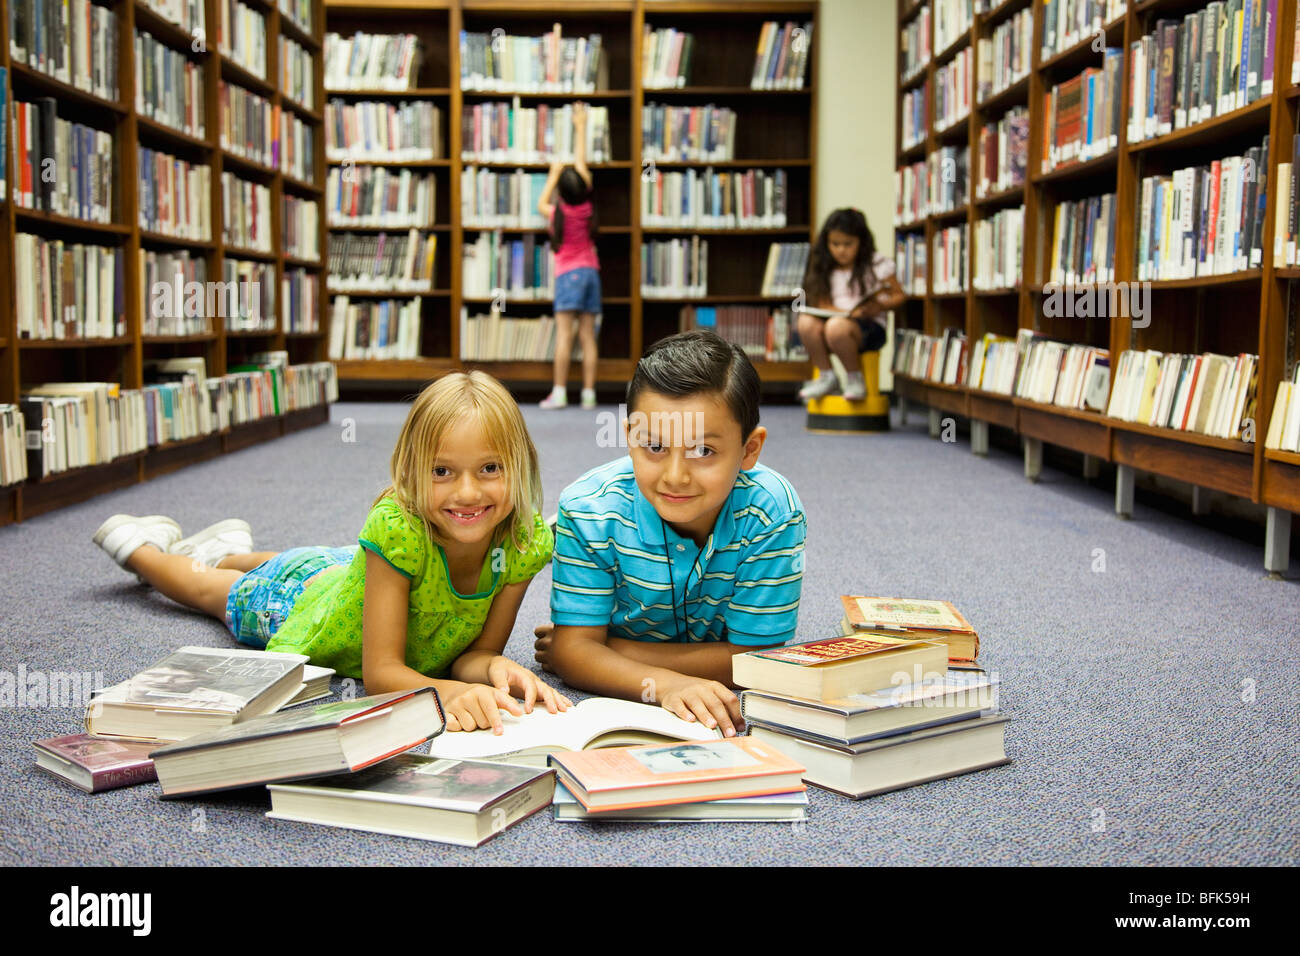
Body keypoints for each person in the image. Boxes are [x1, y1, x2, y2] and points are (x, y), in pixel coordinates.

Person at [92, 372, 569, 734]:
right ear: (410, 469)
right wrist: (453, 693)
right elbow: (381, 674)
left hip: (347, 571)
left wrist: (492, 667)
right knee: (210, 589)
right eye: (441, 471)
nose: (467, 493)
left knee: (308, 561)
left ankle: (229, 550)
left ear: (520, 463)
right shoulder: (396, 531)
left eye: (489, 468)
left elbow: (476, 653)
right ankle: (143, 549)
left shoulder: (522, 542)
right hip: (304, 608)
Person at [534, 330, 806, 738]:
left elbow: (757, 661)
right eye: (655, 447)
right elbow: (574, 658)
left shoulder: (774, 514)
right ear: (629, 437)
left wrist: (606, 649)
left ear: (750, 450)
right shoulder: (587, 509)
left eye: (703, 451)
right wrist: (666, 685)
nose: (675, 477)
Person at [796, 207, 905, 402]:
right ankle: (827, 376)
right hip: (837, 322)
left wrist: (879, 307)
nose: (841, 250)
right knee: (805, 322)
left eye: (848, 244)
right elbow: (822, 303)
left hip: (868, 329)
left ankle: (855, 379)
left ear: (861, 242)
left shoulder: (876, 264)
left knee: (836, 327)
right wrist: (846, 313)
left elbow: (899, 295)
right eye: (835, 244)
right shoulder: (823, 267)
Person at [537, 101, 601, 410]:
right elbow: (582, 165)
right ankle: (589, 393)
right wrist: (581, 127)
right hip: (591, 273)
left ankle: (560, 391)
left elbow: (540, 203)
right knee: (588, 335)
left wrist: (552, 175)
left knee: (564, 335)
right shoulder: (587, 209)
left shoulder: (557, 214)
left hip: (567, 275)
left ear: (561, 192)